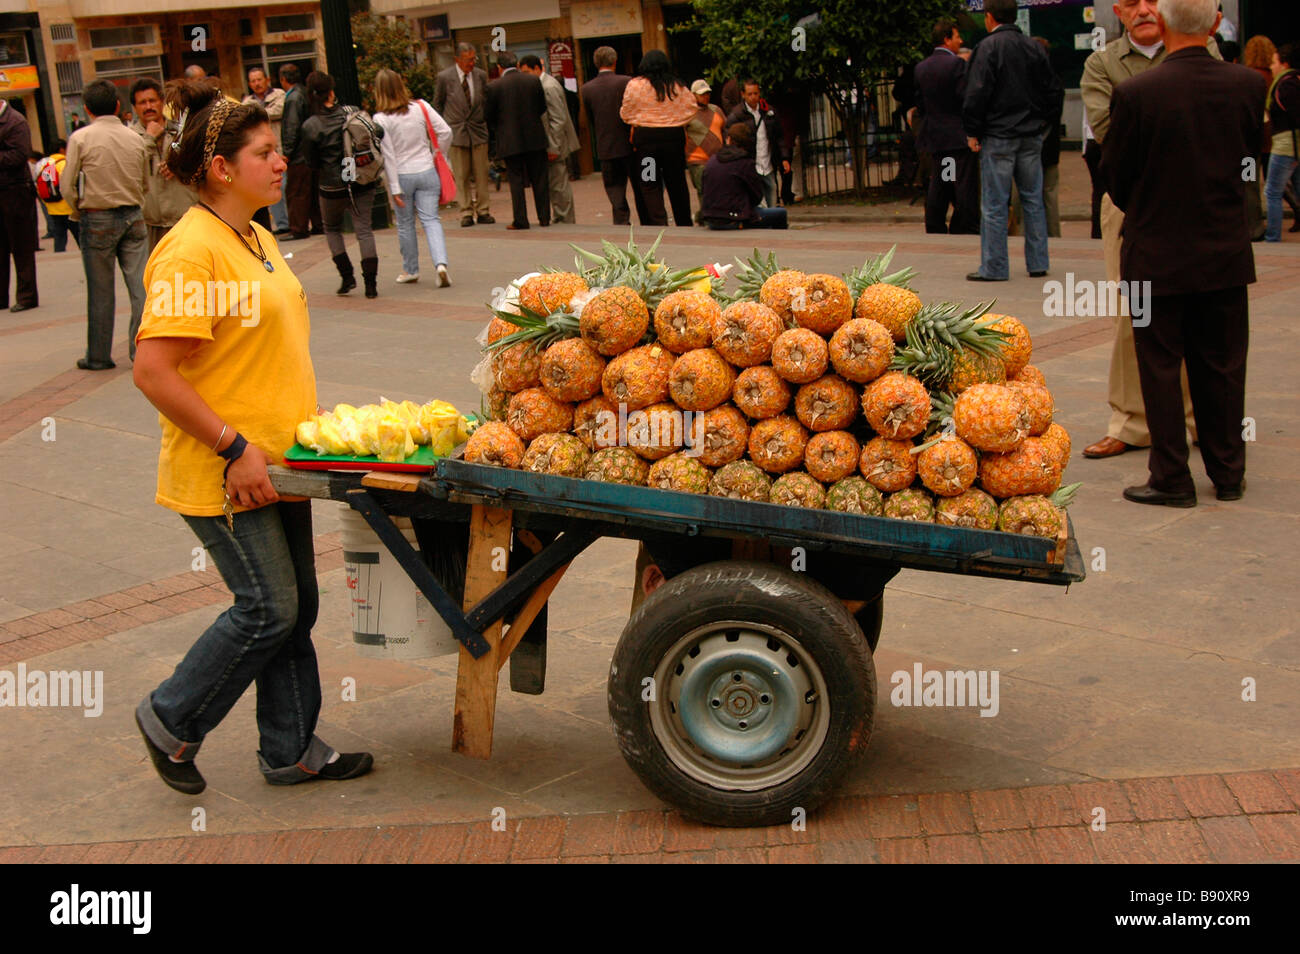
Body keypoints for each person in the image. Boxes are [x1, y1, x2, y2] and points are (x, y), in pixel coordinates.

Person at [131, 78, 372, 795]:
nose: (281, 162)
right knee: (268, 607)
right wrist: (234, 448)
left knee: (297, 604)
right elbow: (153, 371)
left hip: (281, 460)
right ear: (220, 169)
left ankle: (289, 748)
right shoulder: (189, 251)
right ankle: (171, 717)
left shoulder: (257, 235)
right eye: (265, 152)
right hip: (228, 465)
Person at [1101, 0, 1264, 507]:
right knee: (1223, 364)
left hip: (1155, 253)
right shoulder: (1247, 85)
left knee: (1160, 366)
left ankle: (1171, 475)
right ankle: (1228, 471)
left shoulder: (1135, 93)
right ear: (1216, 24)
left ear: (1165, 24)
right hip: (1224, 252)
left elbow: (1115, 177)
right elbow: (1248, 161)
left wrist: (1151, 208)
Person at [1079, 0, 1211, 459]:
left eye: (1153, 0)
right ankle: (1132, 422)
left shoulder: (1204, 53)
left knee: (1197, 309)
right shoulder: (1102, 63)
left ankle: (1193, 420)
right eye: (1132, 2)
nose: (1144, 10)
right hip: (1130, 204)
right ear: (1118, 10)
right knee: (1136, 312)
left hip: (1195, 205)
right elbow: (1109, 134)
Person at [962, 0, 1062, 282]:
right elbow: (1054, 90)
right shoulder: (1033, 47)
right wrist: (1043, 122)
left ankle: (994, 267)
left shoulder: (987, 48)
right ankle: (1038, 262)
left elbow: (976, 94)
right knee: (1033, 200)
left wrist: (973, 131)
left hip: (998, 136)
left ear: (989, 17)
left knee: (994, 204)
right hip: (1030, 135)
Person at [64, 79, 150, 368]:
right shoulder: (135, 138)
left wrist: (78, 208)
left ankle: (99, 356)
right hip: (134, 215)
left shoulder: (80, 138)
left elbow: (67, 185)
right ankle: (141, 350)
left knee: (100, 290)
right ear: (118, 106)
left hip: (96, 215)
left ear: (87, 109)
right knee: (140, 287)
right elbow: (144, 183)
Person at [301, 71, 383, 297]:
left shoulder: (310, 125)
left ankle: (347, 277)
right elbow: (378, 133)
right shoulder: (351, 114)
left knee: (332, 228)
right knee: (364, 230)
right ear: (331, 91)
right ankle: (371, 286)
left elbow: (311, 161)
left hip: (332, 187)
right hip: (361, 182)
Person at [372, 68, 453, 287]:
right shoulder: (421, 107)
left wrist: (395, 187)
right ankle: (441, 264)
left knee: (405, 224)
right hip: (427, 170)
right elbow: (445, 131)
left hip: (403, 174)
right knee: (431, 219)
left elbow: (388, 155)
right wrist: (439, 154)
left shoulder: (380, 119)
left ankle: (411, 269)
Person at [914, 18, 980, 234]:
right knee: (963, 185)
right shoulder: (957, 65)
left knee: (942, 180)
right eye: (957, 36)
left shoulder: (922, 67)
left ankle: (934, 223)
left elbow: (921, 104)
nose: (960, 41)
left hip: (936, 137)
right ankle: (965, 225)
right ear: (946, 38)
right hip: (958, 136)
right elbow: (966, 100)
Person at [621, 50, 696, 227]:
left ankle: (658, 222)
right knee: (676, 181)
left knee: (650, 182)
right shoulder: (677, 86)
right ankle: (683, 222)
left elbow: (625, 112)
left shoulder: (635, 85)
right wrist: (677, 119)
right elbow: (692, 108)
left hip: (646, 142)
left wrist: (640, 119)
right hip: (673, 140)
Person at [129, 77, 197, 252]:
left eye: (152, 100)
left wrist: (178, 164)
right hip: (151, 222)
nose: (148, 106)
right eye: (142, 102)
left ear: (162, 102)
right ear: (135, 107)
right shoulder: (129, 138)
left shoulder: (182, 131)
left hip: (185, 217)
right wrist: (149, 139)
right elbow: (131, 168)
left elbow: (200, 163)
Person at [580, 46, 647, 225]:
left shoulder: (587, 89)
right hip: (631, 144)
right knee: (641, 185)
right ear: (615, 61)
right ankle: (647, 220)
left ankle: (622, 220)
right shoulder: (628, 82)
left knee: (614, 188)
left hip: (606, 145)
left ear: (596, 64)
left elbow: (589, 118)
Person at [484, 51, 550, 231]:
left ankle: (521, 220)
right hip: (535, 137)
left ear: (499, 67)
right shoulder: (533, 81)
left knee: (516, 180)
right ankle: (544, 217)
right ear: (517, 64)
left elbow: (488, 116)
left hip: (510, 140)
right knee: (540, 178)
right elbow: (541, 107)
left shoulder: (494, 86)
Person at [434, 43, 494, 228]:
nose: (471, 63)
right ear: (457, 60)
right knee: (461, 175)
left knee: (482, 174)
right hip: (456, 133)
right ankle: (466, 211)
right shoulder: (444, 78)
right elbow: (438, 104)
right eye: (468, 60)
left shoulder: (481, 75)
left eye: (473, 59)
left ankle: (483, 210)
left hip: (478, 131)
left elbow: (486, 101)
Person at [520, 54, 579, 224]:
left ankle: (564, 218)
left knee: (558, 184)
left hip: (555, 144)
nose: (525, 76)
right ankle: (561, 216)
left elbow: (558, 119)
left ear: (537, 68)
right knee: (555, 183)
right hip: (552, 142)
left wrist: (553, 147)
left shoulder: (548, 87)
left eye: (527, 72)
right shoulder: (541, 85)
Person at [700, 123, 788, 230]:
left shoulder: (712, 160)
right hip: (735, 218)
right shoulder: (745, 162)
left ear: (728, 139)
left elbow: (704, 188)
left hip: (711, 218)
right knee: (780, 213)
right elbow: (757, 195)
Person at [0, 98, 39, 312]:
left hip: (15, 191)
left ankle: (27, 296)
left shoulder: (15, 121)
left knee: (21, 245)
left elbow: (19, 155)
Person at [726, 80, 789, 209]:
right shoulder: (737, 114)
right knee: (757, 198)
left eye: (755, 93)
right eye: (749, 94)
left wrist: (784, 158)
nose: (753, 97)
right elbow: (729, 138)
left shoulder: (769, 111)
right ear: (743, 94)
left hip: (767, 162)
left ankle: (771, 221)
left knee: (772, 191)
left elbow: (779, 137)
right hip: (750, 163)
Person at [278, 64, 321, 241]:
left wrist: (287, 151)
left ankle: (298, 227)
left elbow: (292, 126)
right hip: (308, 151)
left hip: (298, 154)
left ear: (283, 79)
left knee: (296, 191)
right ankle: (318, 224)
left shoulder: (293, 98)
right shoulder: (304, 93)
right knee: (310, 190)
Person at [243, 66, 288, 234]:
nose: (256, 83)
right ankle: (282, 224)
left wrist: (257, 114)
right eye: (253, 81)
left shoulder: (279, 94)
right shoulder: (248, 102)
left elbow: (279, 111)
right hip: (262, 153)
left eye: (259, 79)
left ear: (267, 80)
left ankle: (290, 221)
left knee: (285, 187)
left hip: (281, 147)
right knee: (273, 186)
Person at [1264, 44, 1300, 243]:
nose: (1271, 66)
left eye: (1274, 61)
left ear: (1284, 64)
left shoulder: (1285, 84)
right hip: (1278, 145)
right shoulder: (1292, 81)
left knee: (1270, 190)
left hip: (1274, 146)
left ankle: (1272, 236)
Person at [685, 79, 726, 223]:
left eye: (707, 93)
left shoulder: (716, 110)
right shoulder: (687, 113)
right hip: (697, 159)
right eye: (702, 94)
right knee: (704, 189)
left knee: (718, 188)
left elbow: (725, 129)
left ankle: (705, 215)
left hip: (718, 159)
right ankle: (708, 216)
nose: (706, 96)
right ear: (693, 95)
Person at [36, 140, 79, 253]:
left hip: (53, 209)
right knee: (79, 236)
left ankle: (59, 254)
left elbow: (43, 187)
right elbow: (70, 184)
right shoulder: (64, 163)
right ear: (61, 149)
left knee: (59, 237)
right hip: (68, 208)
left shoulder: (45, 165)